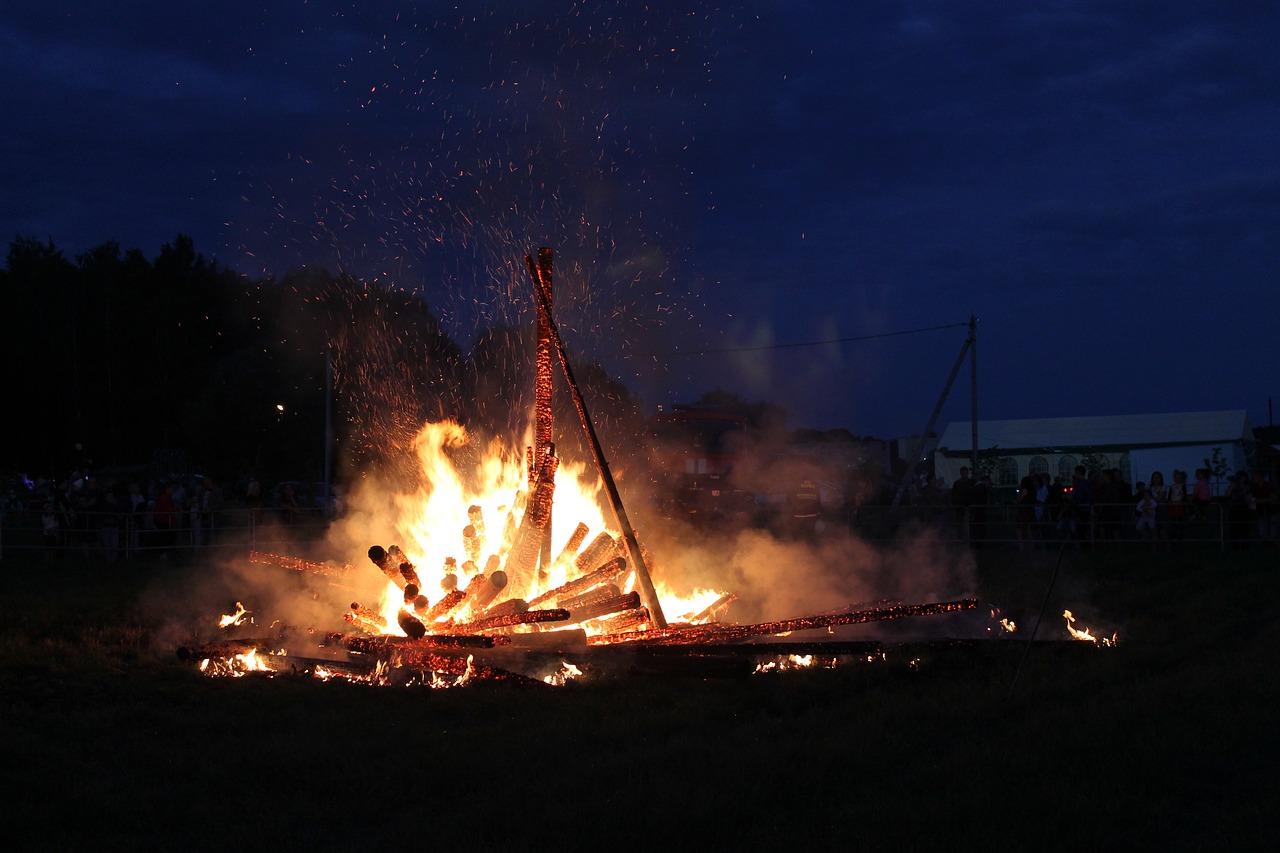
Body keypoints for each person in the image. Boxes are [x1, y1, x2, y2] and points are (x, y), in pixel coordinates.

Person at [1166, 469, 1189, 541]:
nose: (1177, 479)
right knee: (1173, 519)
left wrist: (1183, 501)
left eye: (1179, 478)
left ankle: (1180, 535)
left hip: (1180, 504)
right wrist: (1169, 501)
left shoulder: (1183, 486)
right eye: (1176, 477)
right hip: (1173, 504)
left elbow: (1184, 495)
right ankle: (1174, 534)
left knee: (1180, 519)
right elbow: (1170, 495)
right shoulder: (1172, 486)